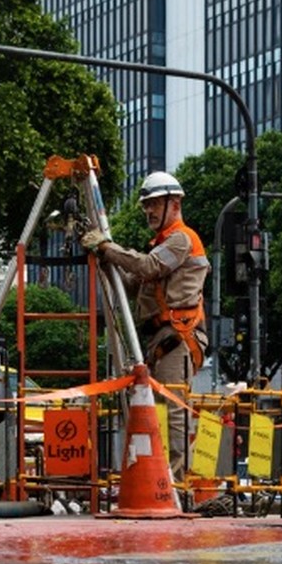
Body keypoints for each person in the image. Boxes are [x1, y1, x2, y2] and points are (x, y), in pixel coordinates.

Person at [81, 171, 209, 478]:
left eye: (154, 203)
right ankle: (158, 477)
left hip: (177, 336)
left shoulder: (181, 239)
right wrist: (104, 259)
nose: (149, 211)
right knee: (157, 411)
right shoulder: (161, 245)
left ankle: (177, 481)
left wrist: (107, 247)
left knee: (172, 410)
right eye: (146, 205)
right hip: (159, 338)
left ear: (174, 203)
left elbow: (148, 267)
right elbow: (133, 282)